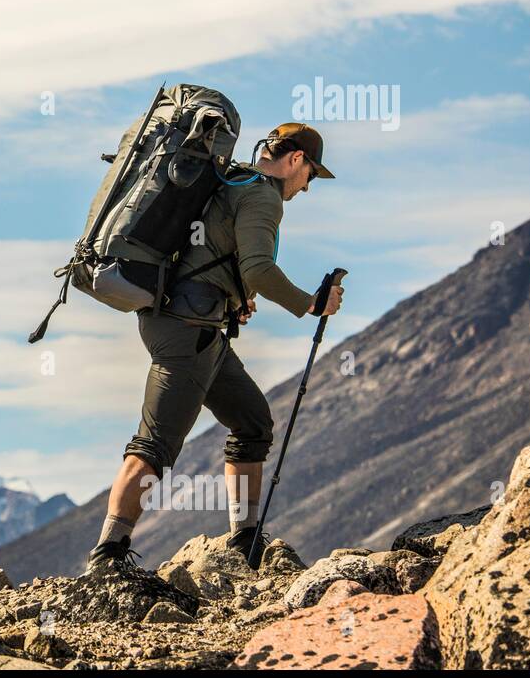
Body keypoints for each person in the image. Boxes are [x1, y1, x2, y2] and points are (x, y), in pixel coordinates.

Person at [86, 122, 343, 573]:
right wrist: (312, 303)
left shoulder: (232, 179)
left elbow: (212, 254)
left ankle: (244, 543)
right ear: (296, 160)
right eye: (311, 177)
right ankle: (107, 556)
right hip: (188, 333)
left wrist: (231, 297)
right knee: (155, 444)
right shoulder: (262, 195)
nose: (307, 189)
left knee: (252, 422)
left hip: (195, 325)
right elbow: (260, 268)